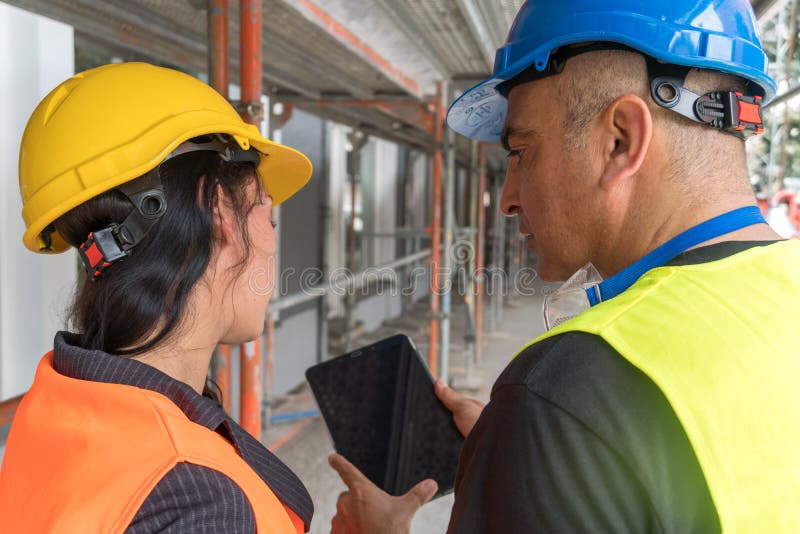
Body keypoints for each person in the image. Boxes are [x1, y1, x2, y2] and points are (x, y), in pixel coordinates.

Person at [329, 1, 800, 532]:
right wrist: (542, 462)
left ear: (620, 140)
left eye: (522, 151)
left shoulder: (565, 389)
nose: (507, 199)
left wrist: (546, 433)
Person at [0, 62, 315, 533]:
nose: (272, 243)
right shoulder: (200, 502)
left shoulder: (58, 402)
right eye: (266, 217)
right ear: (219, 212)